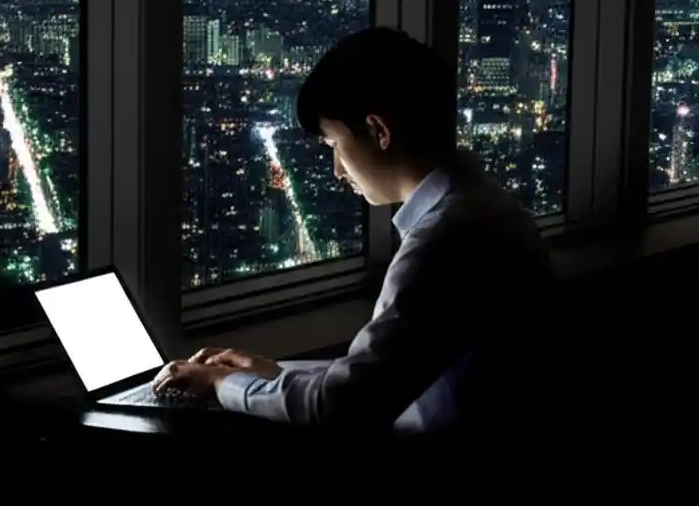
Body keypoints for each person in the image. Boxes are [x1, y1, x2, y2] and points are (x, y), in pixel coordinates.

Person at [152, 26, 552, 439]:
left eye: (334, 146)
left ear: (379, 131)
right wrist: (272, 376)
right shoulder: (487, 208)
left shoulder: (442, 242)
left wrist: (225, 386)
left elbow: (344, 405)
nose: (337, 171)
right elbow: (385, 374)